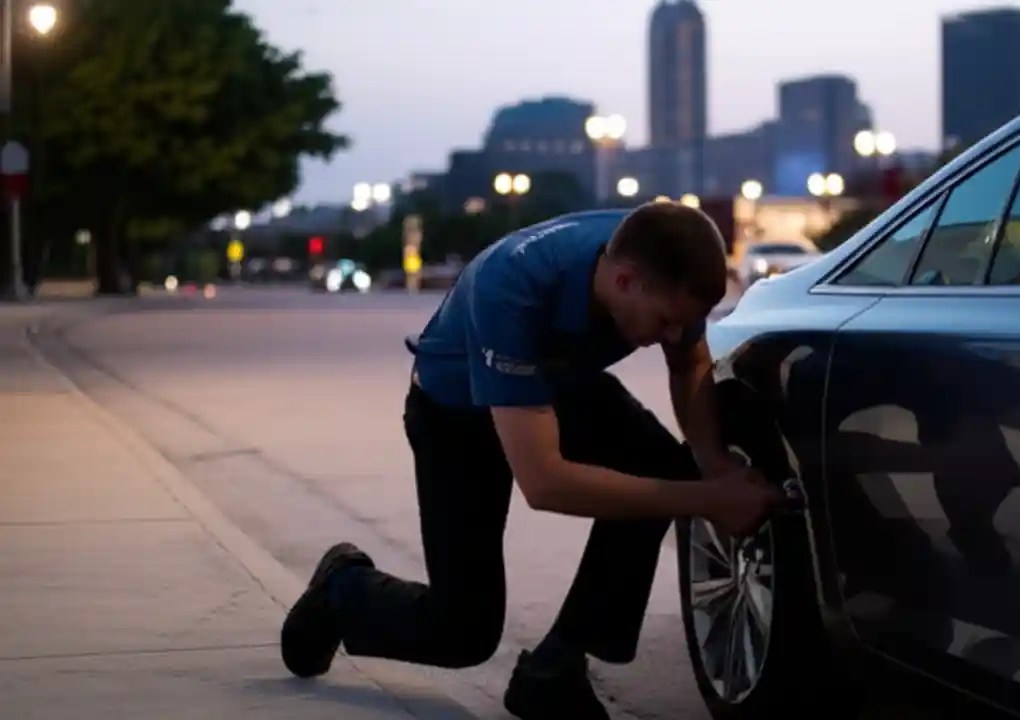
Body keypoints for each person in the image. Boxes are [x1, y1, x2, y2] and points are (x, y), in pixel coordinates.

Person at [279, 201, 783, 719]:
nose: (676, 336)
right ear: (626, 281)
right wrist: (707, 498)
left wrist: (713, 463)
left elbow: (689, 363)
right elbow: (544, 483)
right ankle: (342, 588)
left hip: (554, 385)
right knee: (463, 630)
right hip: (457, 414)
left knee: (665, 465)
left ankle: (555, 670)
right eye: (668, 322)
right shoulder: (513, 288)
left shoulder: (655, 247)